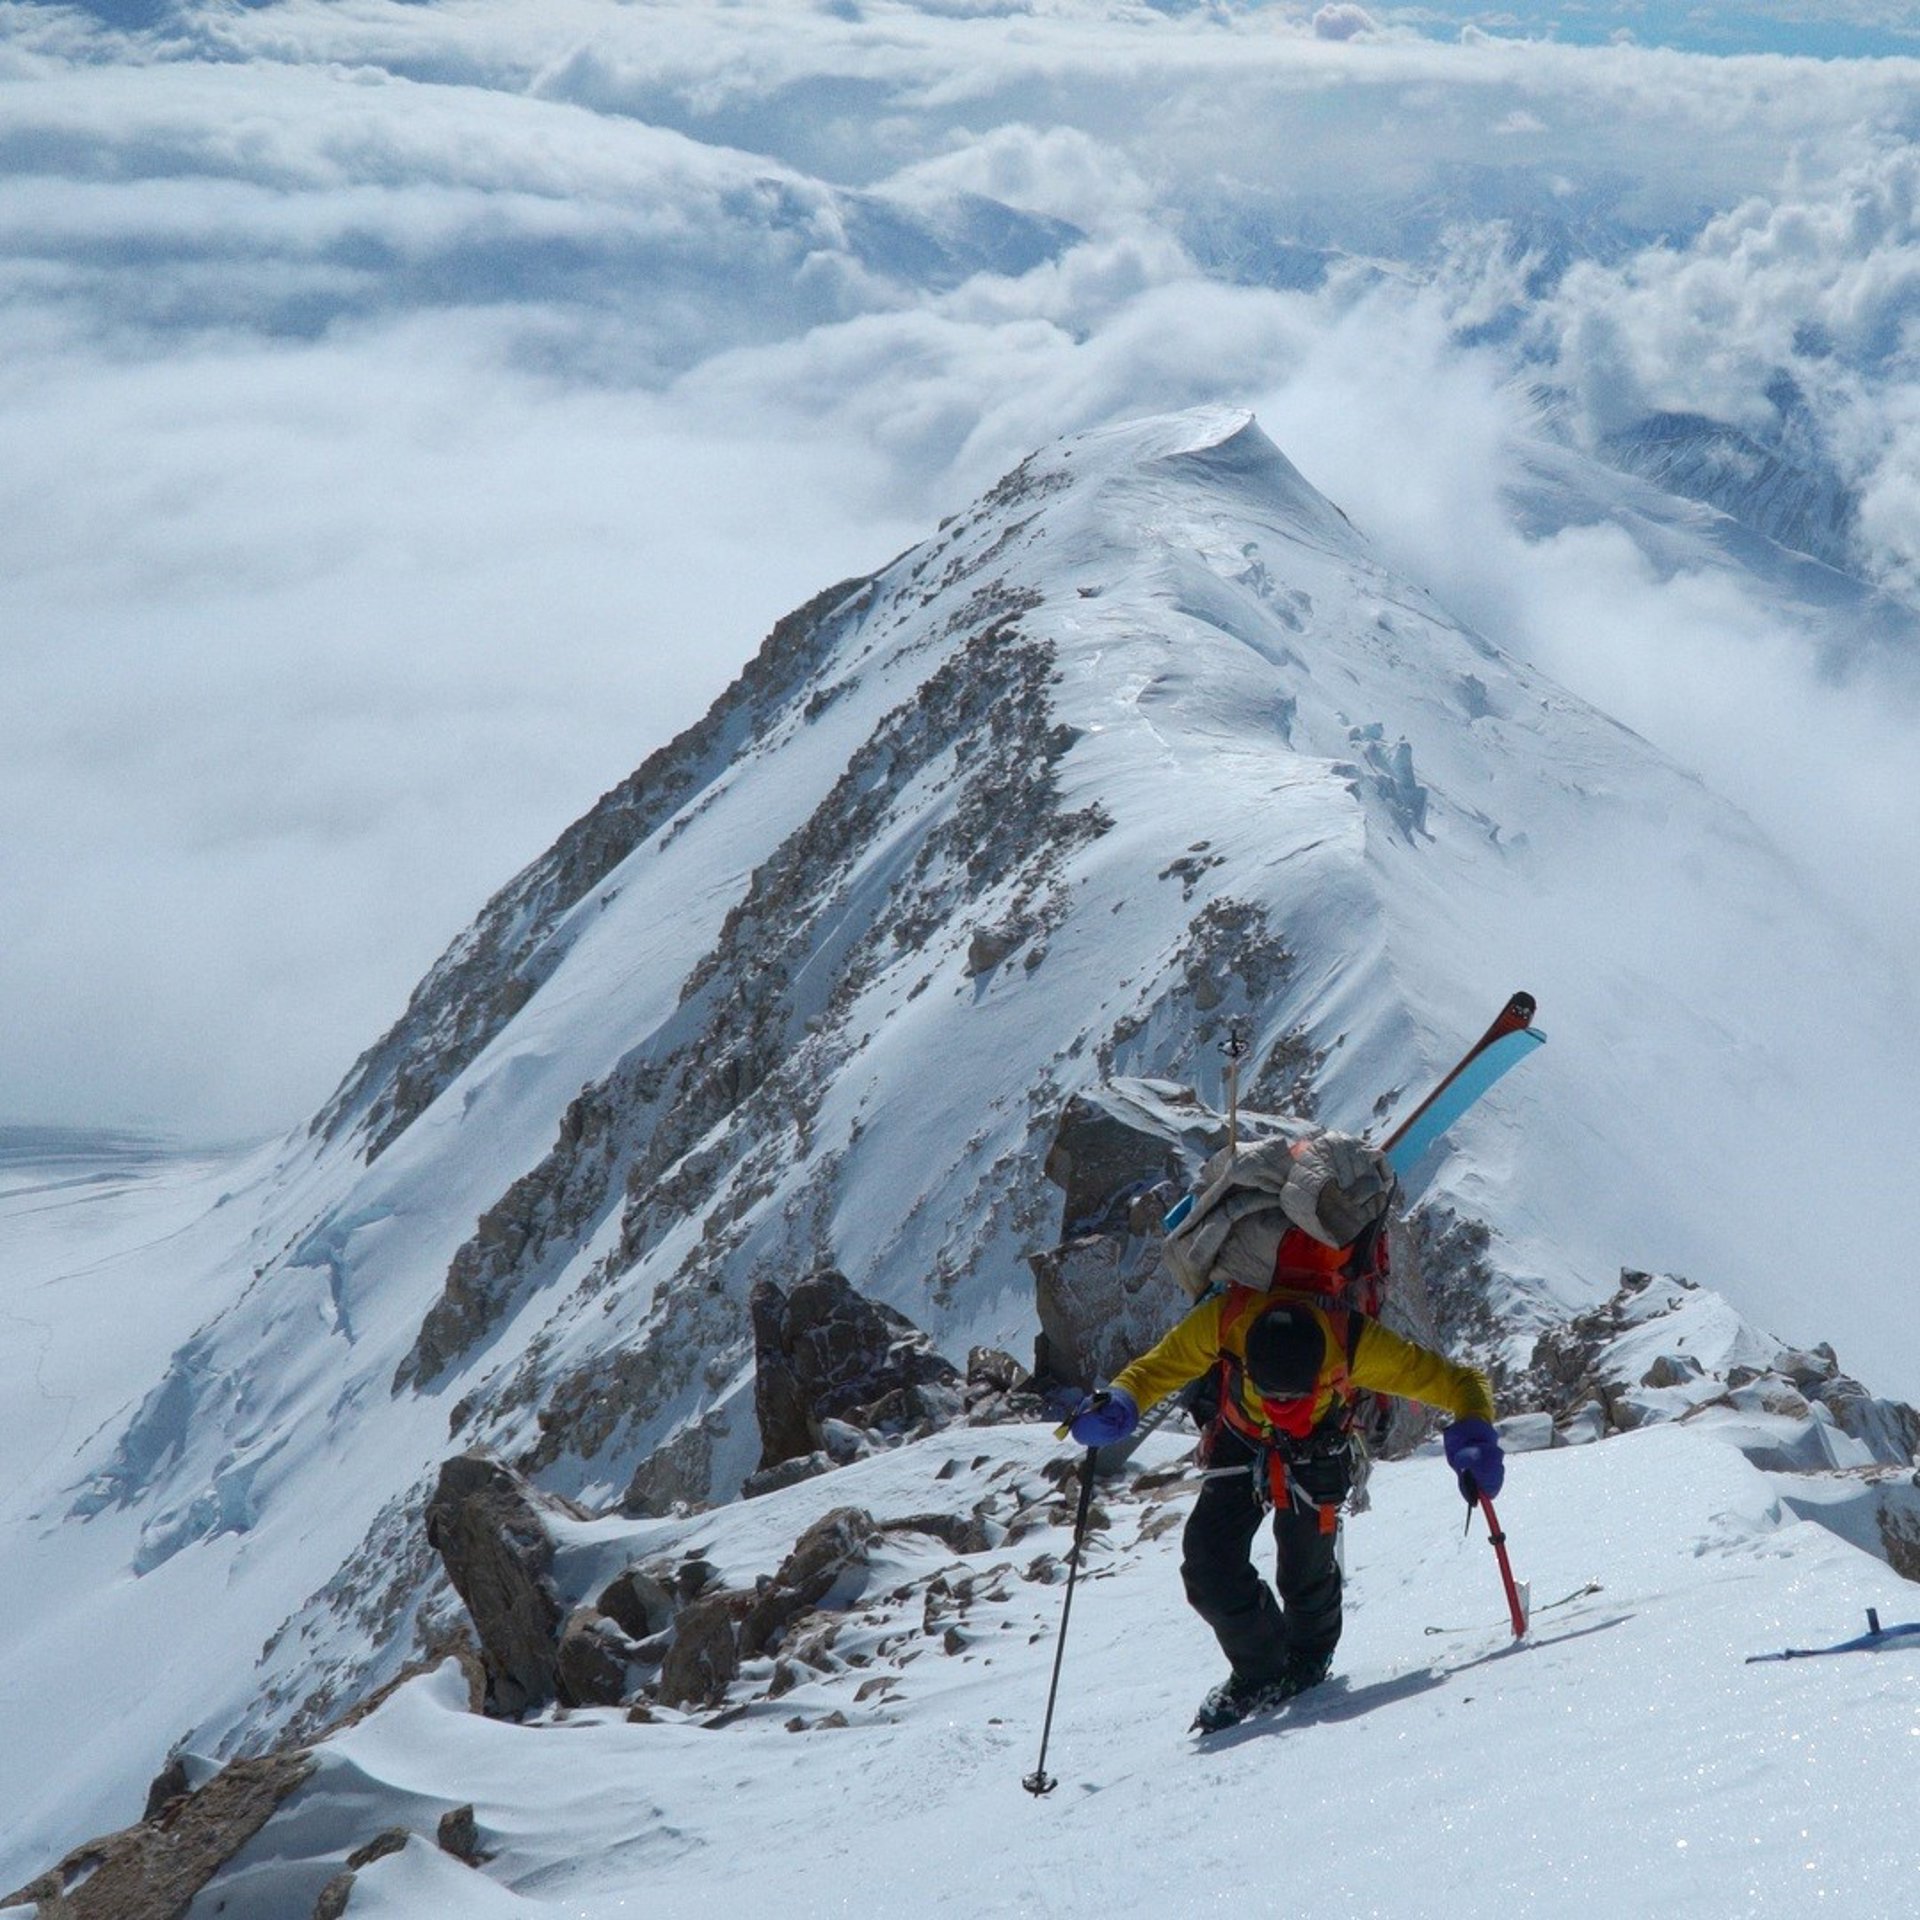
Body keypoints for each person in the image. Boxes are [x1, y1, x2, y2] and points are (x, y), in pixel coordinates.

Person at [1069, 1285, 1505, 1733]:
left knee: (1304, 1569)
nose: (1282, 1408)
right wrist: (1120, 1401)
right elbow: (1151, 1372)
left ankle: (1307, 1662)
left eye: (1293, 1397)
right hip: (1242, 1435)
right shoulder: (1226, 1323)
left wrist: (1474, 1433)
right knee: (1207, 1564)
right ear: (1243, 1362)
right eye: (1273, 1396)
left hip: (1316, 1445)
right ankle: (1265, 1670)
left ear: (1325, 1369)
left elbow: (1464, 1383)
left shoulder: (1355, 1344)